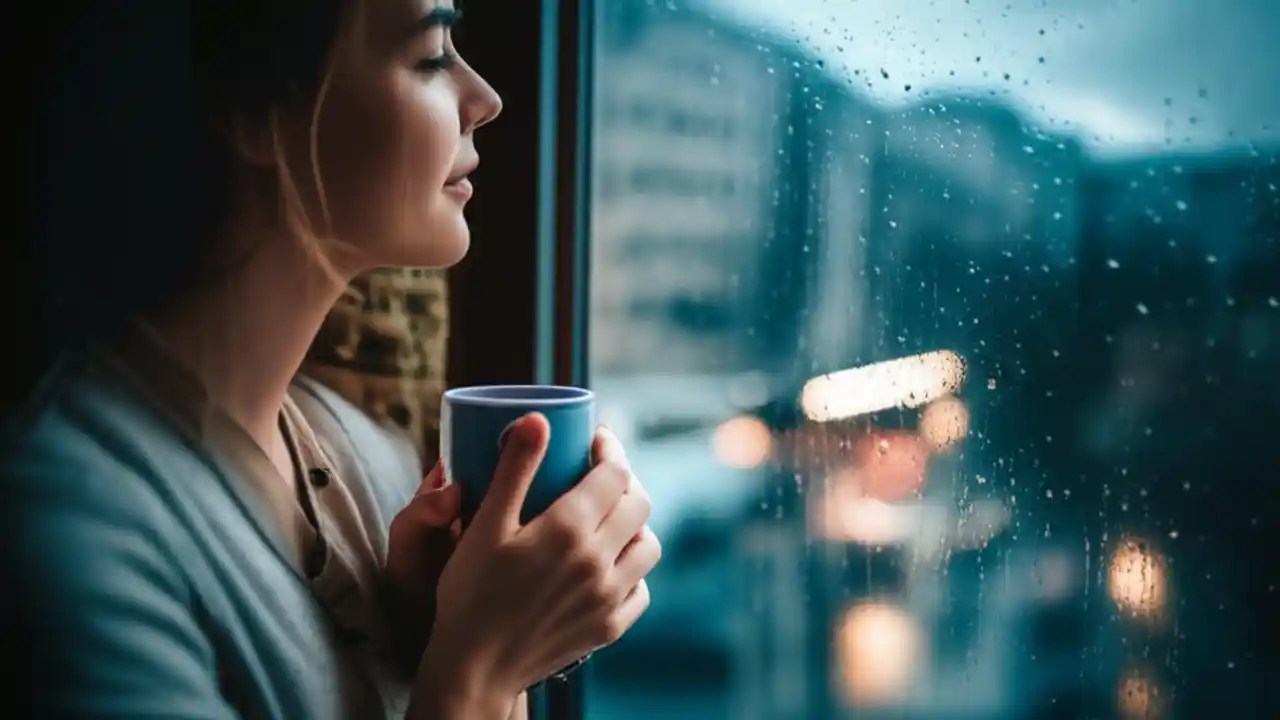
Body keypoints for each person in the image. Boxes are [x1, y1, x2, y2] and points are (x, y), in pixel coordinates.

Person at [6, 1, 661, 718]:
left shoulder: (374, 466)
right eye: (432, 55)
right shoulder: (62, 530)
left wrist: (435, 637)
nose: (486, 99)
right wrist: (480, 670)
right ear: (254, 108)